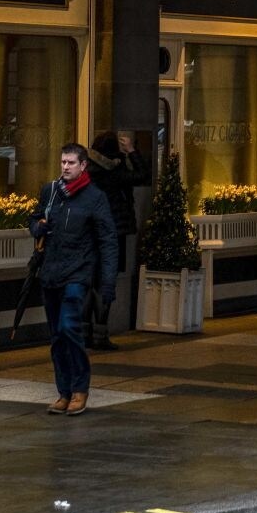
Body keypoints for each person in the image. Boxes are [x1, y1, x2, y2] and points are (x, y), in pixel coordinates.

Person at [31, 143, 119, 414]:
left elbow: (108, 241)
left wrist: (107, 283)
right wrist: (37, 227)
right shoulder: (51, 192)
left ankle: (80, 389)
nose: (65, 167)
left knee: (70, 327)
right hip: (51, 272)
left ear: (83, 166)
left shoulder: (95, 198)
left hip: (78, 272)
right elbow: (35, 219)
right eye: (63, 162)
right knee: (57, 335)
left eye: (71, 163)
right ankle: (64, 392)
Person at [85, 130, 146, 350]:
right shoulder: (116, 170)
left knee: (88, 281)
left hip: (89, 233)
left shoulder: (86, 170)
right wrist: (131, 151)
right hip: (114, 233)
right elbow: (141, 176)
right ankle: (100, 334)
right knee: (106, 284)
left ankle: (84, 332)